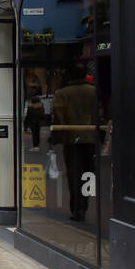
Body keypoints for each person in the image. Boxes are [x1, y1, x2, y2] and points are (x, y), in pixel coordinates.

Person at [51, 64, 98, 222]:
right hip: (91, 138)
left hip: (72, 140)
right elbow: (101, 113)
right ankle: (84, 206)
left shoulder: (63, 93)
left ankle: (77, 207)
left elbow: (59, 117)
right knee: (88, 172)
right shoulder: (94, 92)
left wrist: (55, 138)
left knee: (74, 173)